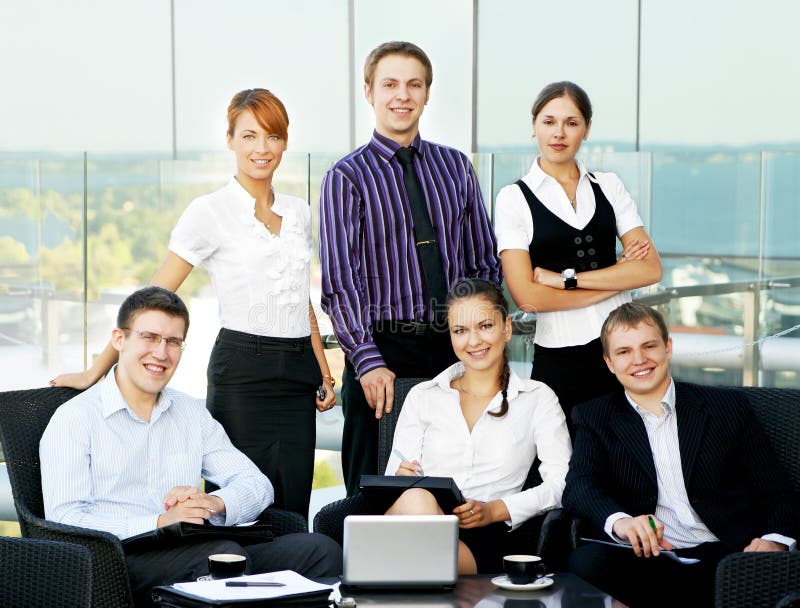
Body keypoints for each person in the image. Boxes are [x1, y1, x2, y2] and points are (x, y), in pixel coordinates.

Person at [51, 88, 335, 519]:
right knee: (241, 508)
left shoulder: (300, 213)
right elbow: (153, 296)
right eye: (249, 136)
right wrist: (98, 367)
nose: (262, 148)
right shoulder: (209, 211)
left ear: (285, 142)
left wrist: (323, 370)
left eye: (273, 137)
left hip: (297, 373)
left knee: (292, 506)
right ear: (230, 140)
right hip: (243, 369)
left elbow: (300, 300)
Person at [40, 287, 341, 607]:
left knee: (320, 551)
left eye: (173, 342)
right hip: (115, 561)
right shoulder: (75, 418)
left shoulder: (190, 413)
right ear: (119, 339)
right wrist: (158, 523)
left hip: (197, 547)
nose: (161, 353)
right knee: (222, 561)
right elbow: (65, 520)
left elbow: (257, 485)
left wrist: (211, 503)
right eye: (150, 337)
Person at [319, 41, 502, 496]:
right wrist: (366, 362)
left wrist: (478, 339)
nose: (402, 95)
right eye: (390, 84)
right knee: (372, 489)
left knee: (457, 478)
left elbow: (484, 262)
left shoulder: (456, 166)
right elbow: (341, 283)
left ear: (426, 94)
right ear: (369, 92)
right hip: (384, 351)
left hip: (456, 348)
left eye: (413, 85)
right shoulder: (347, 177)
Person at [561, 302, 797, 608]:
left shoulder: (726, 408)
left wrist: (775, 539)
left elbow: (778, 490)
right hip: (654, 558)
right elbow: (580, 486)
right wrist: (622, 522)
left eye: (649, 346)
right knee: (586, 561)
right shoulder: (595, 416)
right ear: (609, 362)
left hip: (728, 557)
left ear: (667, 347)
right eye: (624, 352)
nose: (639, 360)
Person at [494, 81, 662, 435]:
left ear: (586, 128)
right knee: (563, 471)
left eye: (571, 123)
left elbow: (649, 268)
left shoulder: (608, 186)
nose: (559, 133)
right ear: (534, 125)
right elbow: (527, 296)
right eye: (548, 121)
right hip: (560, 358)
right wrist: (615, 276)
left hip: (620, 350)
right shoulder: (513, 198)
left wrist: (565, 280)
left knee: (627, 461)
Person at [384, 278, 571, 574]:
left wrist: (495, 509)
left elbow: (562, 483)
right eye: (461, 331)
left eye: (485, 326)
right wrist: (399, 475)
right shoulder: (423, 396)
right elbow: (393, 478)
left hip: (485, 537)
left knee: (401, 549)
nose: (473, 341)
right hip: (414, 519)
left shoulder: (538, 399)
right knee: (416, 499)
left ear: (506, 328)